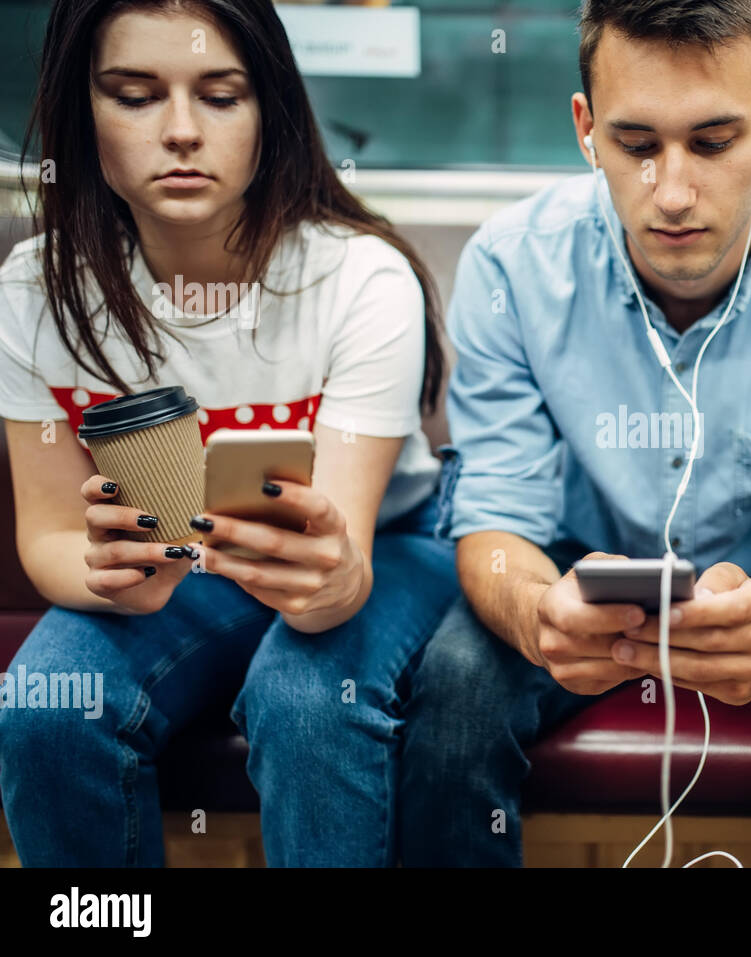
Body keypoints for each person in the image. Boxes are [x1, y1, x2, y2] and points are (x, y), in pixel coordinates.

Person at [399, 0, 751, 867]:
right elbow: (493, 522)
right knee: (457, 688)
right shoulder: (512, 262)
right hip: (577, 564)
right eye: (636, 145)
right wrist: (542, 612)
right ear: (585, 128)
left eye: (713, 141)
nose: (673, 192)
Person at [0, 0, 459, 866]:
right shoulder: (34, 292)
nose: (180, 131)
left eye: (220, 95)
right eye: (134, 95)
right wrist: (106, 576)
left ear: (270, 113)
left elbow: (344, 564)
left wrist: (328, 584)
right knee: (47, 707)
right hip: (183, 570)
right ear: (80, 113)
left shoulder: (360, 279)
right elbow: (50, 534)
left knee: (309, 699)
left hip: (387, 547)